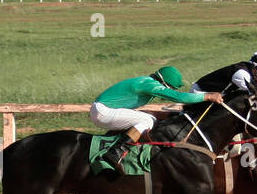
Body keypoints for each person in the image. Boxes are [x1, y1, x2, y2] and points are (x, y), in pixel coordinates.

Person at [91, 66, 222, 173]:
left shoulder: (145, 82)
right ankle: (116, 152)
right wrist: (208, 96)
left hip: (103, 109)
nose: (168, 91)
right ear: (164, 82)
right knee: (148, 120)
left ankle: (123, 149)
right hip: (103, 111)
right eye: (170, 88)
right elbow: (179, 97)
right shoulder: (149, 84)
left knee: (149, 118)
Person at [192, 49, 257, 100]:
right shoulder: (241, 74)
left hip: (218, 96)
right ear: (256, 69)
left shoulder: (253, 73)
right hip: (200, 95)